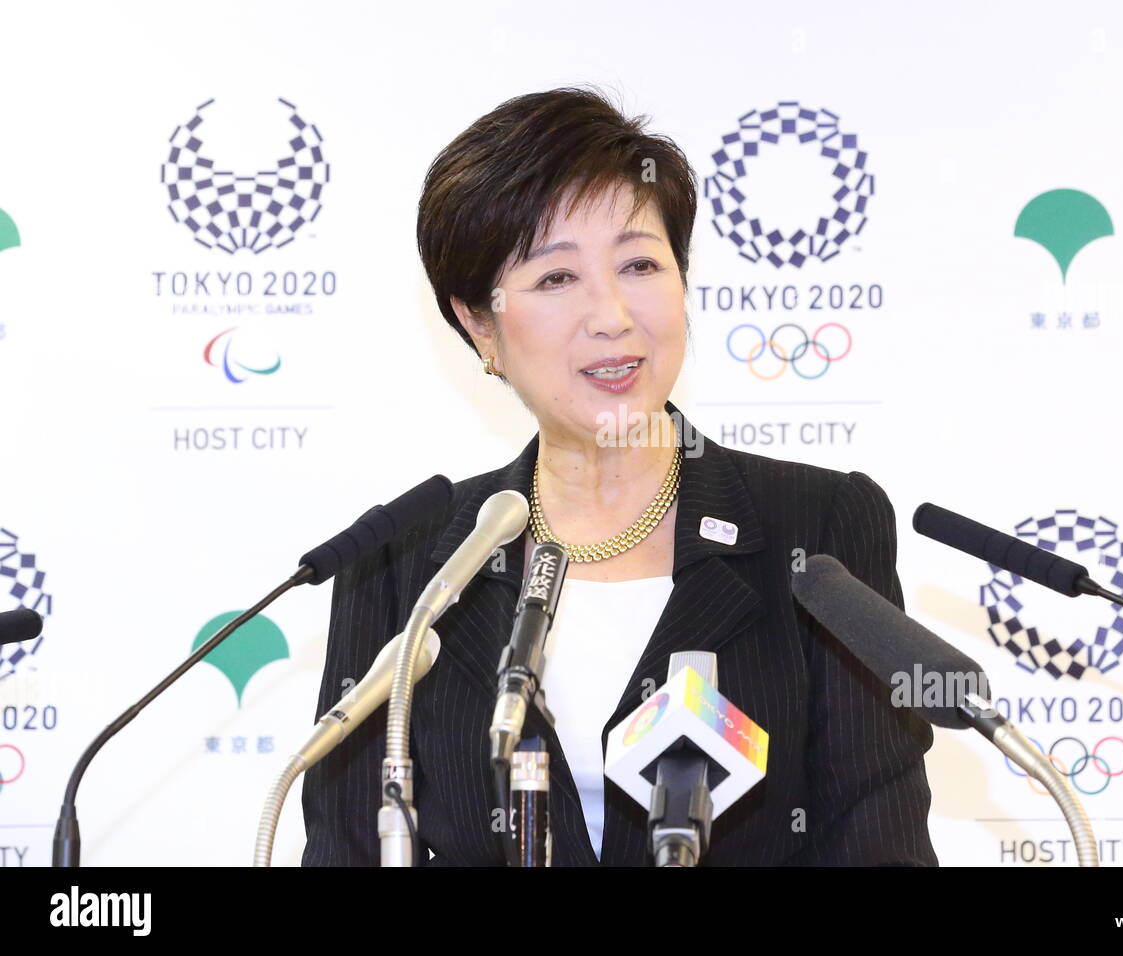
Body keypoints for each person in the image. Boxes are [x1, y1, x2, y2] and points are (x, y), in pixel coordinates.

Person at [301, 86, 938, 866]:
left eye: (640, 263)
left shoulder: (819, 525)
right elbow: (344, 850)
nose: (611, 314)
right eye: (556, 279)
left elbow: (881, 845)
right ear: (479, 323)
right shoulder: (404, 565)